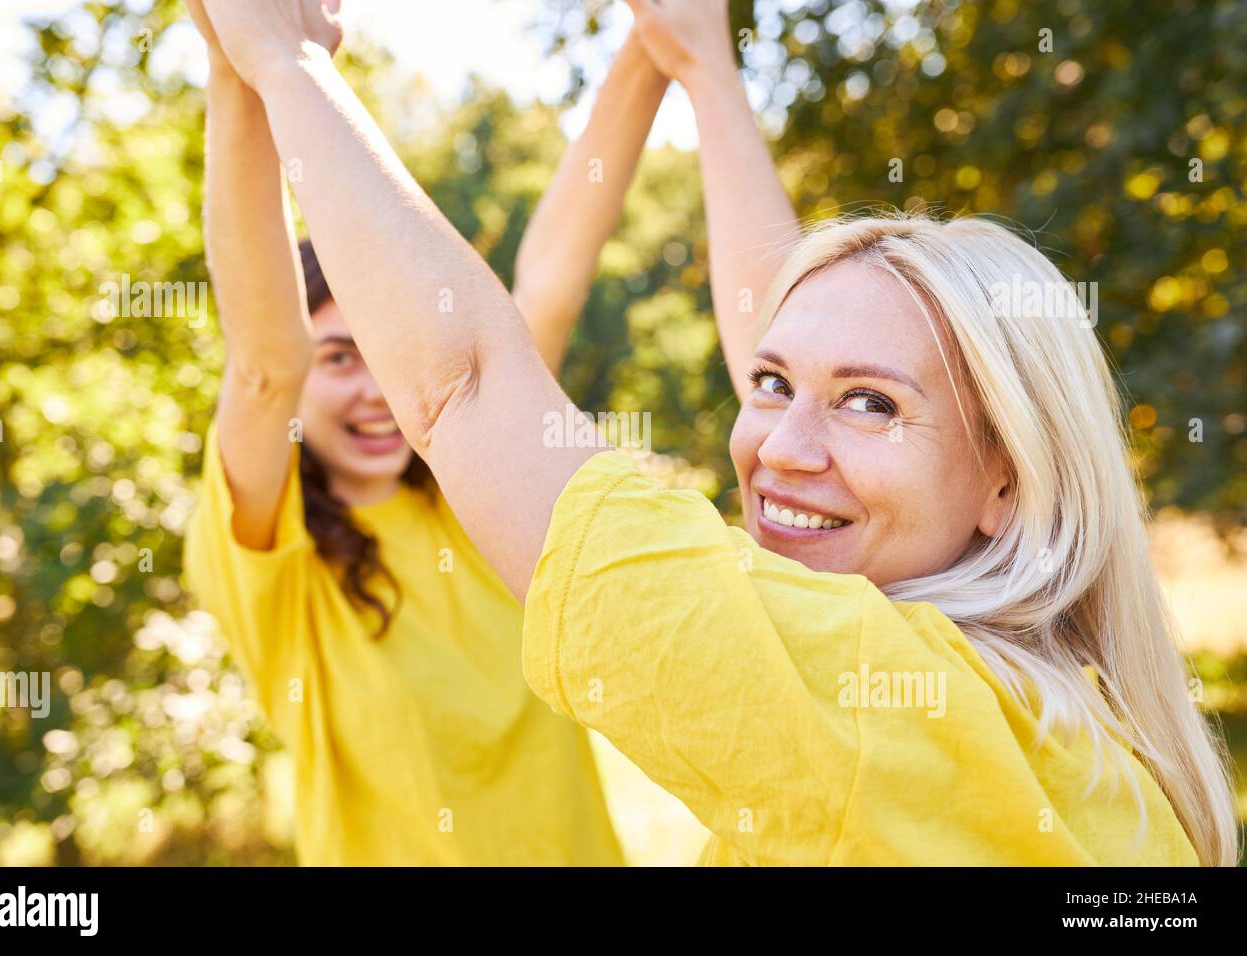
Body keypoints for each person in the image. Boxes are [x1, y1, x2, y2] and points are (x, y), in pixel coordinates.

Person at [192, 0, 1239, 866]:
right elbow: (807, 387)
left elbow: (469, 378)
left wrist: (275, 62)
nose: (781, 444)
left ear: (1005, 478)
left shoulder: (864, 695)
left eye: (871, 402)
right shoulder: (1061, 732)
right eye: (771, 385)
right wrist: (694, 59)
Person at [181, 0, 671, 865]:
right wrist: (239, 66)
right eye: (339, 358)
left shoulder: (481, 497)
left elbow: (551, 279)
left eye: (383, 352)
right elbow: (265, 363)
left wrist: (660, 43)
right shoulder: (274, 557)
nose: (377, 391)